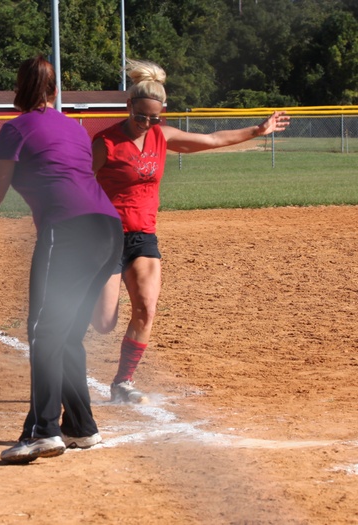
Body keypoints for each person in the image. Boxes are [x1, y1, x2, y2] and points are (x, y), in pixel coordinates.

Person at [0, 56, 123, 464]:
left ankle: (44, 431)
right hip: (108, 230)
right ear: (54, 90)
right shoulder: (74, 128)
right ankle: (81, 425)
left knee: (43, 330)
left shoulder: (15, 129)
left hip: (69, 232)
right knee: (67, 333)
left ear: (17, 90)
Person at [90, 59, 291, 404]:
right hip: (105, 236)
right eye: (141, 116)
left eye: (155, 118)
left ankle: (123, 382)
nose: (147, 123)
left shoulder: (161, 135)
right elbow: (81, 185)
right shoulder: (105, 142)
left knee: (146, 309)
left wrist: (257, 131)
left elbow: (211, 139)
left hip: (143, 236)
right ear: (128, 107)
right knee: (104, 322)